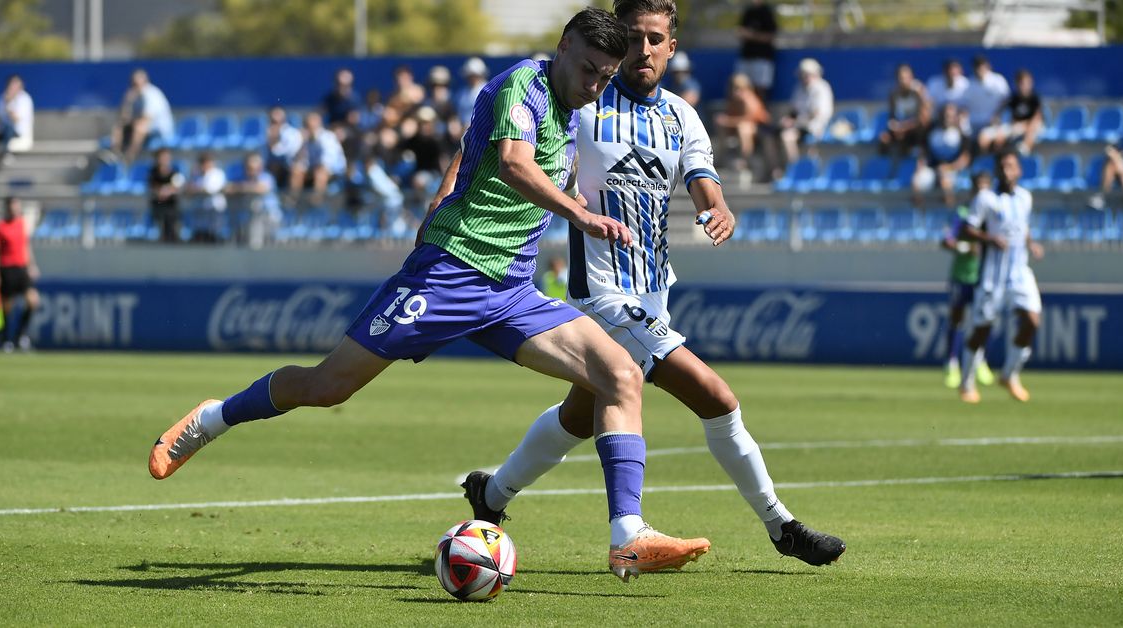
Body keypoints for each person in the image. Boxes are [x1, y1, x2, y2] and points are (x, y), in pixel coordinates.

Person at [148, 7, 709, 582]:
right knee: (325, 386)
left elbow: (471, 151)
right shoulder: (526, 85)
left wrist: (443, 194)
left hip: (511, 289)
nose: (593, 85)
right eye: (588, 69)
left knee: (619, 373)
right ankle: (212, 418)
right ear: (563, 46)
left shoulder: (576, 110)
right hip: (449, 273)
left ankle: (628, 537)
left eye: (604, 77)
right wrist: (578, 215)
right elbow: (513, 164)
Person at [459, 0, 845, 569]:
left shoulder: (682, 117)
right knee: (715, 396)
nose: (643, 49)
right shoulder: (582, 104)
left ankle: (490, 496)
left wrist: (720, 210)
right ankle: (779, 524)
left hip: (653, 289)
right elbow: (510, 151)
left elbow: (704, 183)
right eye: (634, 37)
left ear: (671, 47)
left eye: (655, 39)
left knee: (579, 415)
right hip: (600, 294)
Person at [957, 150, 1043, 404]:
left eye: (1011, 166)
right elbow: (966, 229)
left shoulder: (1025, 198)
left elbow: (1022, 226)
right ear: (996, 171)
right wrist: (989, 239)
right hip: (993, 275)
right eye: (1002, 166)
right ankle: (966, 382)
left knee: (1032, 321)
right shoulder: (986, 198)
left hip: (1019, 273)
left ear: (1019, 171)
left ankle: (1010, 374)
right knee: (982, 330)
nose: (1006, 171)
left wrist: (1031, 243)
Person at [940, 171, 994, 389]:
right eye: (978, 187)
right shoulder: (962, 213)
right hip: (962, 275)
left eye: (985, 187)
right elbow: (946, 242)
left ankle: (980, 361)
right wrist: (966, 247)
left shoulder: (993, 215)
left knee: (983, 320)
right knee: (957, 319)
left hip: (985, 276)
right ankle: (952, 364)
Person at [0, 196, 40, 353]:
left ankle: (20, 336)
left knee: (33, 301)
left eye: (17, 207)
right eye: (12, 207)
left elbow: (26, 246)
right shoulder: (0, 227)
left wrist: (32, 265)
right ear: (7, 208)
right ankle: (4, 340)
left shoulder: (22, 224)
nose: (15, 210)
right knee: (6, 307)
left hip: (21, 268)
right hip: (6, 268)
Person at [715, 73, 771, 183]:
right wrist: (725, 122)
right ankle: (720, 157)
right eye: (734, 87)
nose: (736, 91)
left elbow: (750, 119)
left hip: (760, 129)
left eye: (739, 88)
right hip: (739, 128)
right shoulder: (732, 101)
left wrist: (728, 121)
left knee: (743, 128)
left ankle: (745, 159)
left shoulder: (749, 99)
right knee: (721, 124)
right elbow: (731, 117)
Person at [913, 102, 971, 208]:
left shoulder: (962, 135)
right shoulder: (930, 131)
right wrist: (920, 165)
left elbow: (965, 159)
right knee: (916, 182)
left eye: (950, 116)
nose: (946, 118)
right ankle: (920, 216)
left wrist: (949, 167)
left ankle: (948, 212)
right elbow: (923, 153)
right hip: (932, 169)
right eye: (944, 115)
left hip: (952, 170)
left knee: (945, 183)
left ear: (955, 117)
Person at [110, 68, 174, 163]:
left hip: (159, 130)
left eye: (137, 84)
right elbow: (124, 117)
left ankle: (130, 157)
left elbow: (147, 118)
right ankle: (115, 154)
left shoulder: (152, 94)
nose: (135, 86)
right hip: (144, 126)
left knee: (139, 128)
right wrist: (128, 102)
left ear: (145, 82)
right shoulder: (133, 96)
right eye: (133, 84)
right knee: (119, 126)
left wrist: (132, 122)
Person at [780, 58, 834, 164]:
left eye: (807, 74)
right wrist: (788, 119)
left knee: (787, 137)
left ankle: (795, 169)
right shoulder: (799, 88)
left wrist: (796, 121)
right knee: (772, 137)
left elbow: (816, 114)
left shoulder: (821, 88)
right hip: (800, 125)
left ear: (815, 74)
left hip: (816, 126)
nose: (804, 77)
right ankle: (777, 170)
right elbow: (794, 110)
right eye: (802, 74)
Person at [978, 69, 1042, 155]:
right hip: (1016, 126)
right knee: (990, 136)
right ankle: (990, 157)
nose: (1024, 86)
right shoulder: (1013, 99)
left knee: (1033, 129)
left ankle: (1024, 150)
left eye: (1027, 83)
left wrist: (1024, 126)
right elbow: (1004, 114)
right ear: (1017, 84)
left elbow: (1036, 119)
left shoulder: (1035, 98)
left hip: (1030, 127)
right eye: (1021, 83)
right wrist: (997, 120)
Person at [225, 152, 282, 248]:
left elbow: (261, 188)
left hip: (268, 218)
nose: (253, 171)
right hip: (248, 219)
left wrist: (241, 188)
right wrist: (243, 187)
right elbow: (227, 188)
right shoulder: (242, 178)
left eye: (256, 168)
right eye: (249, 168)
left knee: (257, 206)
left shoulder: (266, 177)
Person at [290, 111, 347, 205]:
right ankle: (293, 202)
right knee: (296, 171)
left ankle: (317, 202)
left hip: (335, 172)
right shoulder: (304, 140)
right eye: (307, 126)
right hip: (313, 169)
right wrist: (300, 142)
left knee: (320, 173)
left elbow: (327, 163)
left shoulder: (328, 137)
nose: (310, 129)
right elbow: (298, 160)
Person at [878, 63, 930, 160]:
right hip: (901, 129)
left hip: (916, 130)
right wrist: (895, 127)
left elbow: (924, 119)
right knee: (884, 138)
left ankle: (921, 161)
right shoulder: (893, 94)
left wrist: (903, 127)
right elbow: (892, 116)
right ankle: (885, 169)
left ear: (911, 77)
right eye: (900, 78)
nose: (903, 81)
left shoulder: (919, 91)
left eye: (905, 77)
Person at [736, 0, 778, 103]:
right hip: (746, 57)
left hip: (762, 58)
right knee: (742, 87)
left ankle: (759, 116)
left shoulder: (767, 12)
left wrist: (752, 36)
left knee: (760, 89)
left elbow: (770, 36)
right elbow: (740, 31)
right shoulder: (748, 12)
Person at [960, 55, 1009, 140]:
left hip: (994, 123)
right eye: (977, 66)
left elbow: (1006, 101)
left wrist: (997, 116)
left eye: (982, 66)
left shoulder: (998, 80)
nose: (980, 69)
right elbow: (965, 107)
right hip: (974, 124)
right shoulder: (969, 84)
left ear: (988, 66)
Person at [182, 152, 227, 243]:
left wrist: (196, 189)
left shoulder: (217, 174)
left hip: (214, 211)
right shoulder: (196, 174)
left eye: (207, 162)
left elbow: (209, 189)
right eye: (202, 162)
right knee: (200, 236)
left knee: (213, 236)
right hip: (200, 211)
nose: (205, 165)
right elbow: (188, 191)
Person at [262, 105, 303, 191]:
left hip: (290, 165)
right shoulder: (265, 134)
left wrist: (273, 141)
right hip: (272, 167)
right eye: (273, 120)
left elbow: (291, 154)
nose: (275, 122)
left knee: (296, 170)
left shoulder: (293, 133)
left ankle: (292, 201)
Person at [147, 147, 183, 243]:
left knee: (172, 217)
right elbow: (152, 186)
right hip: (158, 202)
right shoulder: (153, 172)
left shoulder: (174, 172)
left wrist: (168, 191)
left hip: (171, 203)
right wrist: (161, 192)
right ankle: (162, 236)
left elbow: (177, 187)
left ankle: (173, 235)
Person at [322, 67, 362, 132]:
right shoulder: (329, 98)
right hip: (331, 130)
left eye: (346, 85)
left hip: (351, 132)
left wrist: (336, 127)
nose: (342, 88)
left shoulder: (355, 99)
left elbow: (353, 122)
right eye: (339, 84)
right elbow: (320, 114)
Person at [456, 57, 490, 127]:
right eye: (470, 75)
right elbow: (458, 114)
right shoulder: (462, 93)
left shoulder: (488, 91)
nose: (472, 78)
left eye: (475, 75)